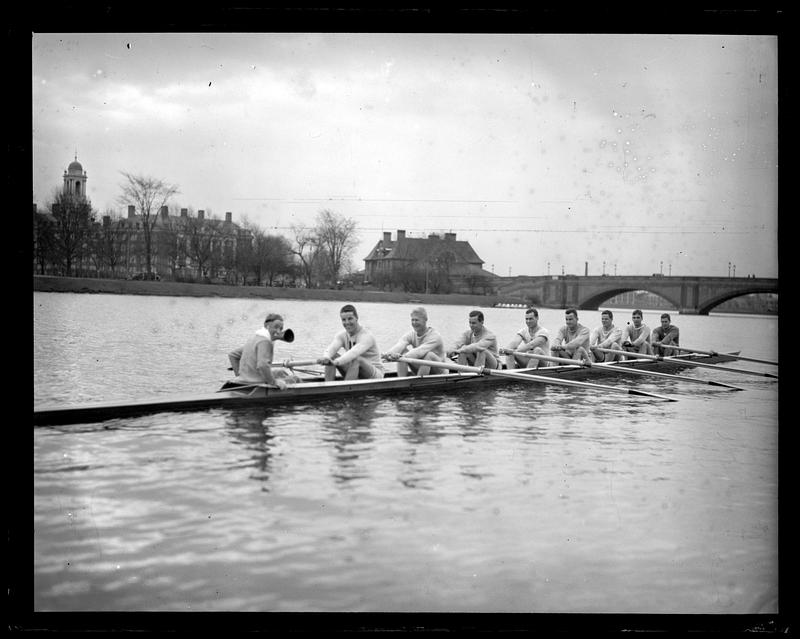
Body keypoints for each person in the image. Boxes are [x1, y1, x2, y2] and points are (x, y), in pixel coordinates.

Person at [317, 304, 385, 381]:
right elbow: (331, 349)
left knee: (357, 359)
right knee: (332, 356)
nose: (347, 322)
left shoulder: (366, 336)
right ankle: (328, 388)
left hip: (375, 374)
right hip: (354, 368)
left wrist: (336, 362)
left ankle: (346, 390)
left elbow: (353, 353)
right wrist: (326, 357)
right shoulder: (341, 335)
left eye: (350, 319)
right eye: (344, 320)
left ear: (356, 318)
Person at [228, 313, 293, 389]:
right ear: (266, 326)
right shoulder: (265, 342)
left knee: (281, 372)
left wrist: (240, 376)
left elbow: (233, 355)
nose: (278, 331)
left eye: (281, 329)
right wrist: (274, 382)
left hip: (244, 380)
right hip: (255, 382)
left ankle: (243, 378)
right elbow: (262, 365)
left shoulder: (254, 339)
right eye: (276, 327)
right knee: (294, 379)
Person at [382, 307, 446, 376]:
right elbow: (400, 344)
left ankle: (419, 383)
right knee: (402, 350)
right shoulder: (411, 334)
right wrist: (388, 354)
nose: (414, 323)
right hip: (423, 367)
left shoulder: (435, 336)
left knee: (429, 355)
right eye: (412, 320)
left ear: (425, 320)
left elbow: (419, 351)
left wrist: (400, 357)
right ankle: (402, 381)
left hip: (440, 372)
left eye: (417, 320)